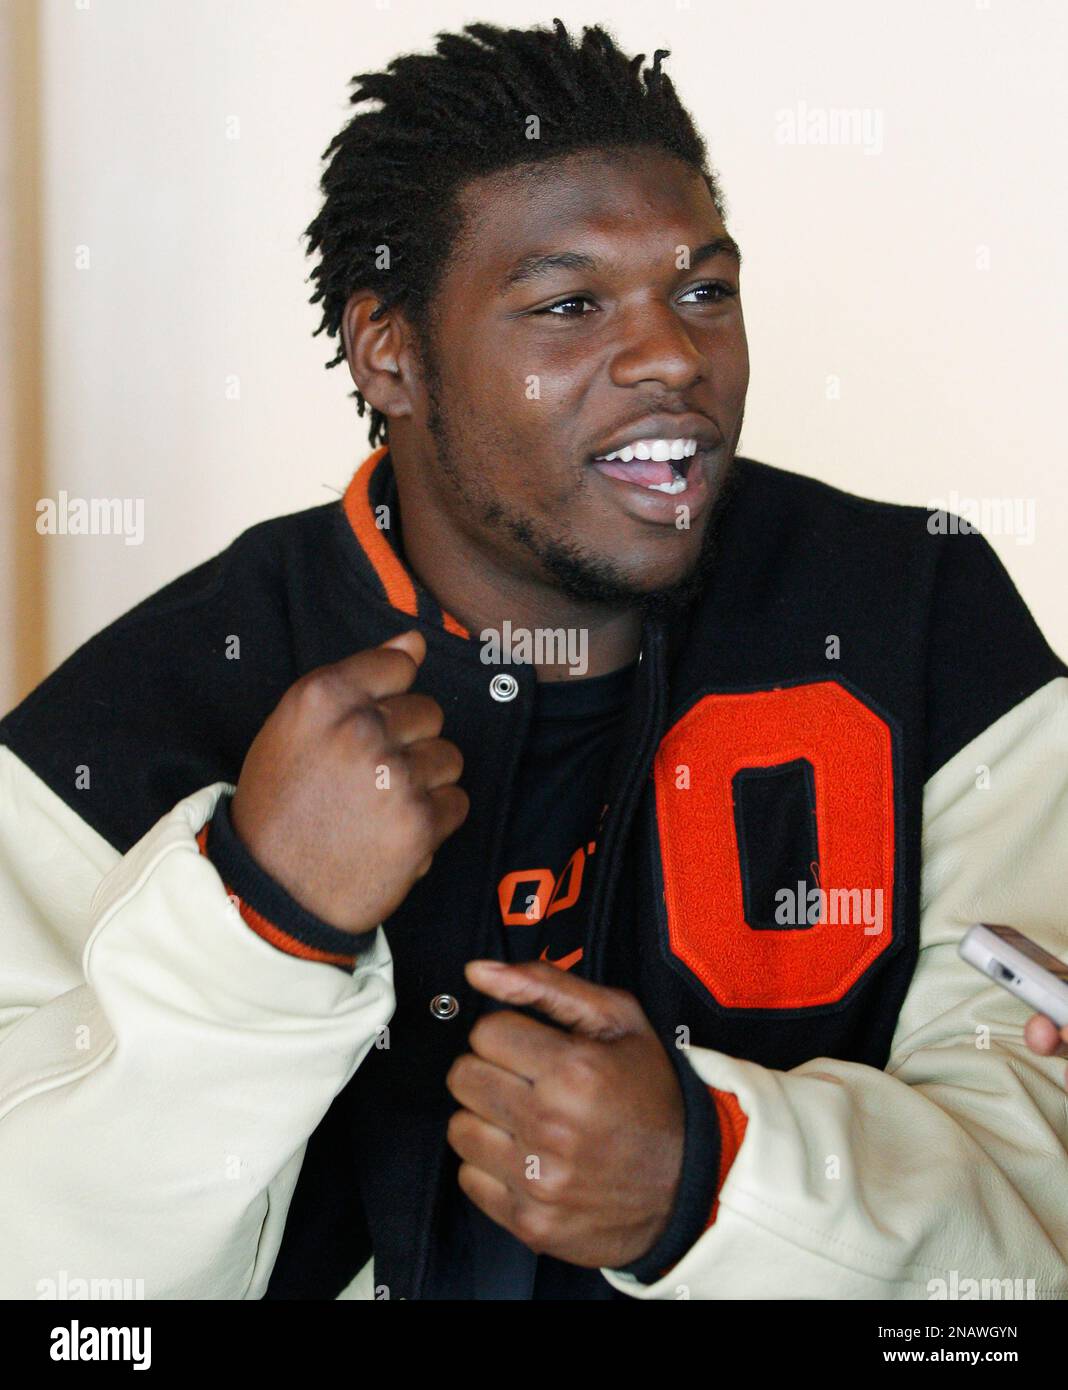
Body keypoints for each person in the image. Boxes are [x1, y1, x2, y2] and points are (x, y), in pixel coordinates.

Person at [2, 18, 1067, 1301]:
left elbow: (1027, 1259)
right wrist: (260, 925)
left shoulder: (920, 613)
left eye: (703, 291)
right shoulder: (141, 715)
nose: (674, 354)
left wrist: (712, 1182)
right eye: (570, 305)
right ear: (389, 353)